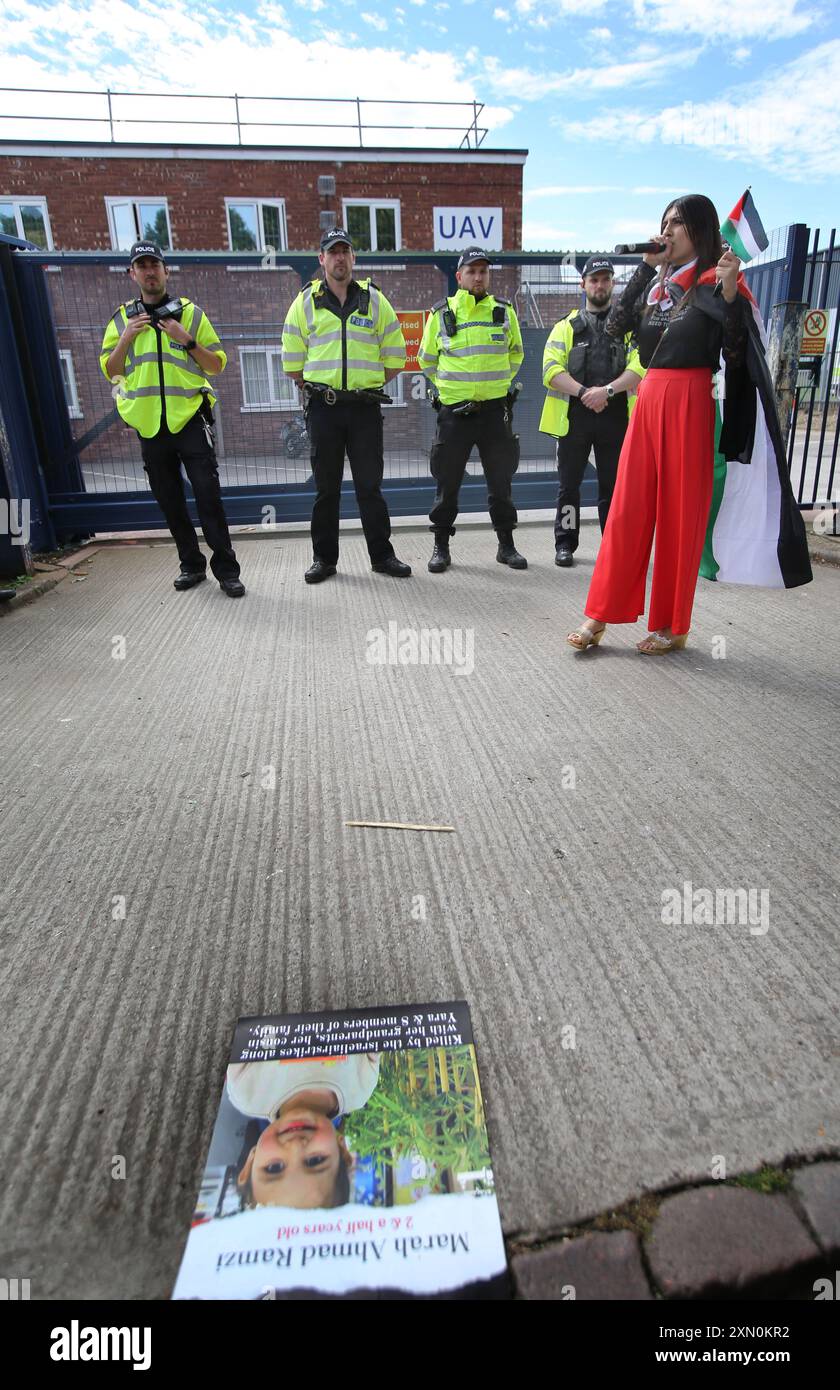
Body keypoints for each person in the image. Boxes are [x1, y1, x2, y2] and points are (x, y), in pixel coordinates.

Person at [567, 193, 811, 654]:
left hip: (690, 402)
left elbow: (738, 354)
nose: (668, 230)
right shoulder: (658, 288)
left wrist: (733, 293)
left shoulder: (715, 284)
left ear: (699, 230)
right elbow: (614, 326)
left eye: (677, 223)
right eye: (664, 221)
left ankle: (672, 625)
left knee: (681, 518)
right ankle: (599, 613)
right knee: (626, 509)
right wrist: (644, 268)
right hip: (648, 400)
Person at [99, 242, 244, 596]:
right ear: (132, 274)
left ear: (166, 271)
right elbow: (111, 371)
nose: (149, 271)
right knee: (170, 500)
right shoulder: (121, 319)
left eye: (155, 264)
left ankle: (227, 570)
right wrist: (126, 339)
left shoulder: (191, 314)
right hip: (150, 425)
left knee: (208, 495)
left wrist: (187, 340)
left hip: (190, 418)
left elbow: (217, 364)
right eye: (142, 265)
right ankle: (191, 565)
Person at [281, 228, 411, 583]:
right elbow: (293, 364)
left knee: (370, 487)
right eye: (332, 252)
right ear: (322, 259)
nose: (340, 258)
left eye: (345, 251)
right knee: (327, 489)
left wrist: (363, 384)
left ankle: (382, 557)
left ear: (354, 258)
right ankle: (324, 560)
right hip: (324, 409)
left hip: (365, 409)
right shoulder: (305, 302)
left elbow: (395, 357)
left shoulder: (375, 300)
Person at [418, 247, 526, 572]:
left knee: (501, 482)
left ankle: (506, 546)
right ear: (459, 276)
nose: (478, 277)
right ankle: (440, 547)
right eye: (472, 271)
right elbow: (426, 360)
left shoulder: (504, 312)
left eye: (484, 271)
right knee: (447, 484)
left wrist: (492, 386)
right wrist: (453, 388)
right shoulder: (441, 314)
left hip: (495, 413)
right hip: (454, 415)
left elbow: (516, 355)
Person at [539, 256, 644, 567]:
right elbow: (550, 370)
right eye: (594, 279)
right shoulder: (565, 326)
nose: (599, 285)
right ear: (582, 284)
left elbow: (640, 366)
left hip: (616, 417)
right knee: (569, 487)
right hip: (575, 417)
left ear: (613, 283)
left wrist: (607, 392)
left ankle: (613, 546)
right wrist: (585, 393)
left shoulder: (629, 327)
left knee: (613, 487)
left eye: (605, 279)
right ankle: (565, 545)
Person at [228, 1053, 380, 1210]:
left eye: (274, 1168)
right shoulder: (360, 1087)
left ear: (250, 1163)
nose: (295, 1146)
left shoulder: (247, 1091)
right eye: (315, 1161)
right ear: (342, 1150)